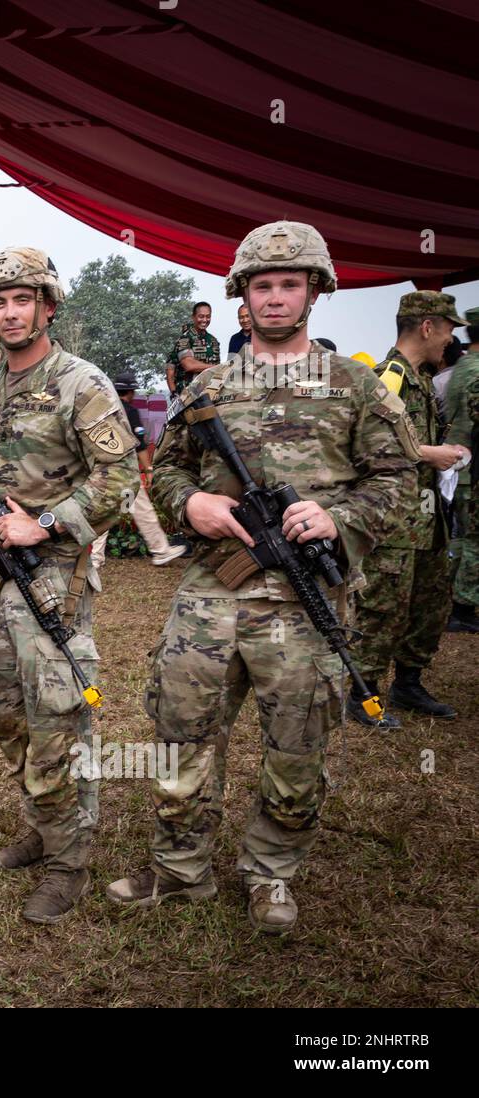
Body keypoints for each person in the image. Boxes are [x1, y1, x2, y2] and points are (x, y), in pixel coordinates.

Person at [106, 221, 417, 935]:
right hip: (211, 594)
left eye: (289, 284)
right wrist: (191, 503)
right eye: (262, 286)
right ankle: (180, 868)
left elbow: (399, 478)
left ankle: (271, 873)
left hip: (305, 604)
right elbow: (167, 469)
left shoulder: (356, 386)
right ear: (242, 295)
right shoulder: (209, 387)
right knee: (180, 732)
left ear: (315, 291)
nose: (275, 298)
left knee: (297, 745)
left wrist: (338, 517)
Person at [0, 247, 139, 923]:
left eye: (22, 300)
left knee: (57, 715)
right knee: (9, 713)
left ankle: (69, 860)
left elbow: (120, 478)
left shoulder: (81, 383)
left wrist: (47, 522)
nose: (10, 313)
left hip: (54, 577)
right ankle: (41, 821)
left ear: (47, 308)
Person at [348, 291, 467, 724]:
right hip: (395, 523)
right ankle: (364, 693)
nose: (450, 339)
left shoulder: (421, 379)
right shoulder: (389, 377)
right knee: (381, 610)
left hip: (427, 520)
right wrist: (431, 454)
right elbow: (368, 447)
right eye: (448, 328)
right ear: (428, 327)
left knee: (428, 607)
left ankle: (408, 684)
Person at [111, 371, 187, 565]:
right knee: (142, 509)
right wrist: (149, 470)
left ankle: (94, 558)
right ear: (130, 392)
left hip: (103, 470)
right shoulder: (129, 411)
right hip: (124, 470)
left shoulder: (106, 409)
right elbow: (140, 445)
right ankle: (161, 551)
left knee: (108, 511)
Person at [443, 308, 479, 633]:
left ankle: (451, 597)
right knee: (474, 540)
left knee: (463, 536)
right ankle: (463, 606)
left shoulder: (463, 367)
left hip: (459, 467)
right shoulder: (475, 369)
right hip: (471, 467)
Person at [164, 302, 220, 396]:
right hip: (187, 395)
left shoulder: (213, 341)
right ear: (193, 317)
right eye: (201, 316)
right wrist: (174, 394)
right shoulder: (185, 339)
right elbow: (188, 365)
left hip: (209, 393)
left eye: (208, 316)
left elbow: (217, 373)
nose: (205, 320)